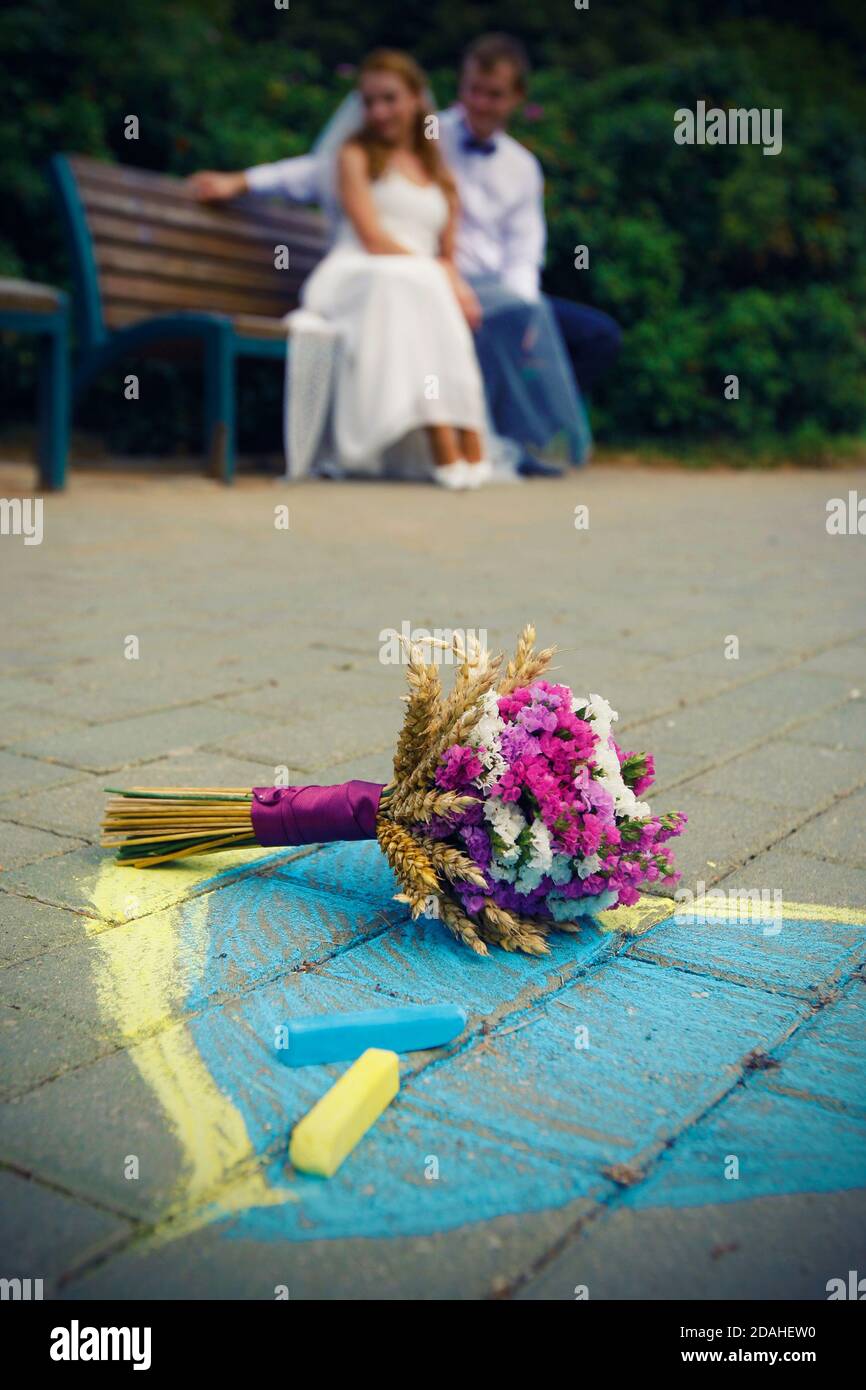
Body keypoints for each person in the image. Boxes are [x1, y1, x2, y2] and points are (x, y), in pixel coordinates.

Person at [190, 36, 620, 476]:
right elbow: (315, 173)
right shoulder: (429, 134)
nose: (480, 103)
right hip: (426, 277)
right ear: (459, 87)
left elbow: (524, 253)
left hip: (478, 285)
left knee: (584, 331)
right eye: (473, 89)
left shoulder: (519, 167)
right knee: (441, 302)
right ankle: (450, 442)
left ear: (516, 98)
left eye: (494, 94)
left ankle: (524, 440)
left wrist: (520, 314)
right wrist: (243, 181)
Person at [200, 52, 493, 487]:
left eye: (389, 99)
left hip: (415, 283)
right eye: (369, 101)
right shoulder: (353, 156)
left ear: (416, 99)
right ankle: (445, 441)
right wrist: (240, 181)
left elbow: (447, 255)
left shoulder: (439, 174)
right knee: (413, 283)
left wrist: (450, 278)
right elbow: (372, 237)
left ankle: (469, 432)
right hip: (358, 272)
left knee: (422, 285)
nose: (378, 112)